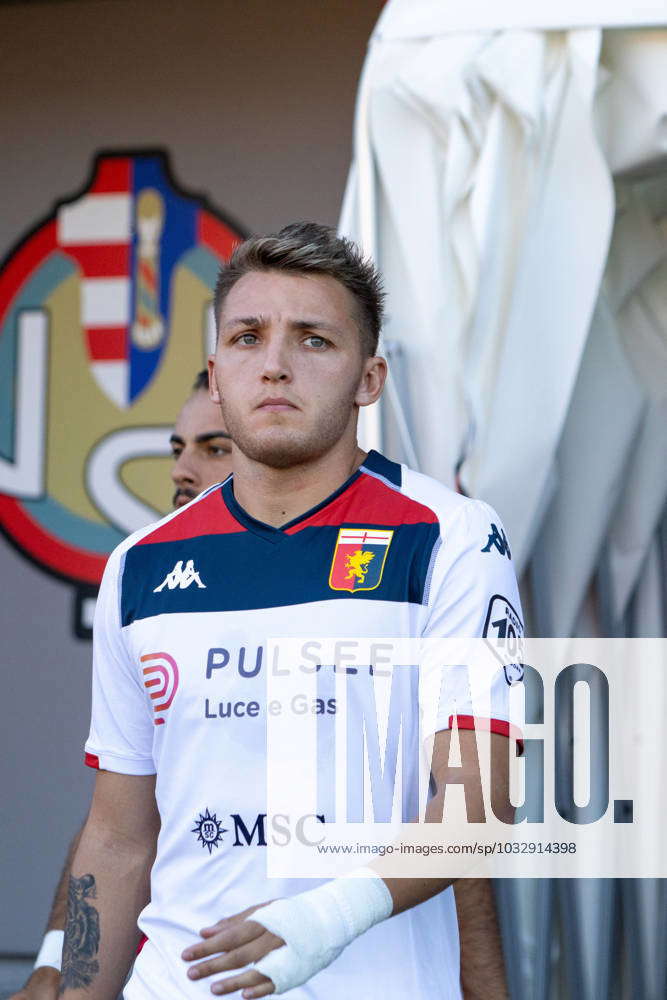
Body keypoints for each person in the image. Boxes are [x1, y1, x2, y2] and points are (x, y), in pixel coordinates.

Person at [52, 224, 523, 999]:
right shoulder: (139, 565)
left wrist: (324, 920)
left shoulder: (450, 536)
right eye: (246, 338)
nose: (272, 365)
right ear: (215, 372)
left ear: (368, 378)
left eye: (312, 340)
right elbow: (117, 836)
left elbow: (478, 805)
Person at [10, 374, 232, 1000]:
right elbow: (117, 822)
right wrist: (55, 964)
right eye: (177, 448)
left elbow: (447, 821)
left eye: (214, 448)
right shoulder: (143, 581)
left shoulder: (361, 586)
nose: (184, 469)